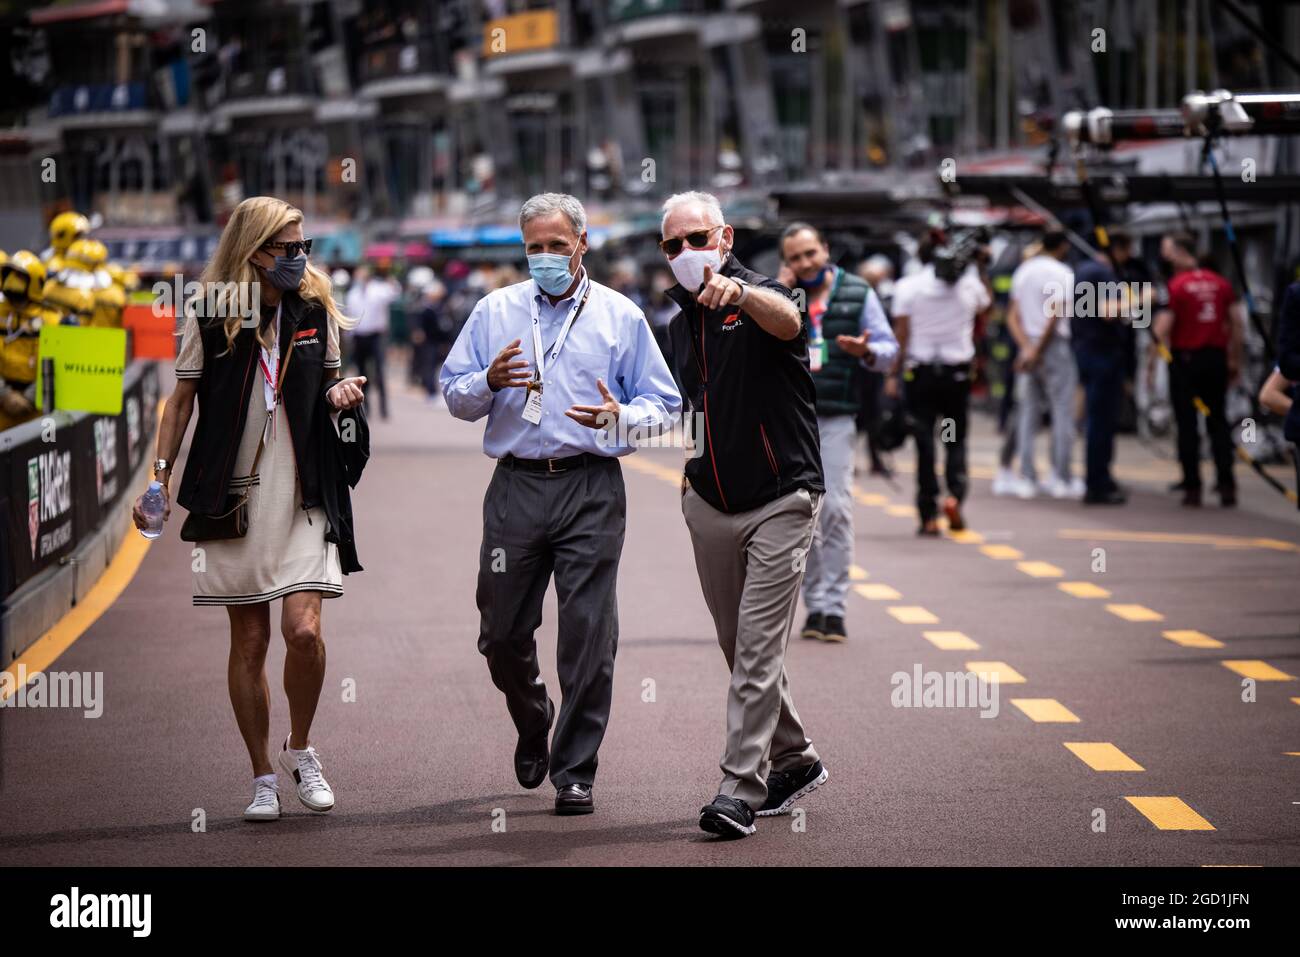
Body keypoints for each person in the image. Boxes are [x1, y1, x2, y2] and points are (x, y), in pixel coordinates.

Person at [440, 192, 680, 817]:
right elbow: (453, 392)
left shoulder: (620, 316)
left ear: (581, 244)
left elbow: (667, 404)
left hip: (591, 486)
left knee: (588, 634)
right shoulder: (495, 311)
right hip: (515, 486)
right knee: (499, 631)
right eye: (533, 247)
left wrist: (620, 415)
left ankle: (575, 768)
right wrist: (487, 382)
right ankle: (532, 714)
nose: (545, 257)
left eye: (556, 245)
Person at [131, 196, 369, 822]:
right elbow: (180, 402)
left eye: (303, 247)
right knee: (251, 637)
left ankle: (302, 748)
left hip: (307, 489)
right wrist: (159, 480)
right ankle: (263, 775)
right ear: (253, 250)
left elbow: (328, 385)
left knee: (305, 632)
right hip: (232, 494)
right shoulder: (212, 310)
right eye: (287, 249)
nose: (299, 259)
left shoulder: (315, 303)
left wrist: (342, 393)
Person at [660, 191, 827, 838]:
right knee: (738, 647)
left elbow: (789, 321)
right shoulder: (679, 324)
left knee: (756, 649)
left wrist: (741, 293)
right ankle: (797, 757)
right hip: (709, 501)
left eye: (696, 238)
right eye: (672, 244)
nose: (684, 253)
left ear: (724, 236)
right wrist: (682, 470)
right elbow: (691, 411)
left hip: (783, 497)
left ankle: (739, 787)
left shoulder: (760, 296)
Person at [778, 223, 897, 644]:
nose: (805, 263)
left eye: (811, 253)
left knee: (837, 510)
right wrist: (778, 288)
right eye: (795, 257)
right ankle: (814, 607)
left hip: (836, 418)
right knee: (800, 514)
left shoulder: (858, 292)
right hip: (790, 421)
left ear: (825, 249)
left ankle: (834, 607)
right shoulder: (781, 295)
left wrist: (866, 351)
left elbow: (889, 350)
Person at [889, 231, 993, 535]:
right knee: (954, 439)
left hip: (920, 375)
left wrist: (892, 376)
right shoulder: (969, 285)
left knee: (925, 443)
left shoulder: (908, 287)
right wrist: (981, 267)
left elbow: (902, 336)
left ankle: (929, 513)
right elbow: (986, 308)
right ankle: (954, 497)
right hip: (956, 375)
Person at [1150, 232, 1242, 507]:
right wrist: (1234, 360)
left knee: (1187, 425)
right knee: (1218, 421)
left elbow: (1163, 328)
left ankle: (1193, 487)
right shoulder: (1221, 283)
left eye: (1168, 251)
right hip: (1215, 358)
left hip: (1186, 362)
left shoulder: (1176, 286)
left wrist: (1149, 362)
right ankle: (1226, 484)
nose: (1165, 257)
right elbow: (1236, 324)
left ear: (1180, 252)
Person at [1007, 229, 1082, 499]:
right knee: (1062, 411)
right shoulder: (1062, 273)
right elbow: (1055, 313)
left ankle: (1027, 476)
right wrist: (1038, 348)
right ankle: (1061, 477)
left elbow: (1012, 316)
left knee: (1028, 413)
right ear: (1062, 246)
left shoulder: (1023, 271)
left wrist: (1027, 348)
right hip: (1053, 346)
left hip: (1027, 345)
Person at [1071, 231, 1140, 505]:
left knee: (1098, 419)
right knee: (1101, 421)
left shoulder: (1084, 270)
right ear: (1118, 248)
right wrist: (1142, 298)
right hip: (1102, 355)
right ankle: (1097, 483)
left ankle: (1100, 478)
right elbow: (1109, 312)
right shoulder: (1102, 273)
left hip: (1088, 352)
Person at [856, 254, 897, 476]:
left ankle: (876, 458)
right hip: (856, 368)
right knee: (856, 417)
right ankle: (851, 460)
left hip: (875, 366)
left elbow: (889, 338)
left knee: (875, 415)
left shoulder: (884, 300)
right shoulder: (853, 299)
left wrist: (891, 373)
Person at [350, 261, 399, 420]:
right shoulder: (353, 293)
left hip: (376, 336)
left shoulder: (379, 289)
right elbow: (350, 315)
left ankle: (384, 408)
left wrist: (390, 279)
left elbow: (394, 293)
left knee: (379, 372)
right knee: (362, 374)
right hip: (359, 336)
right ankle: (365, 407)